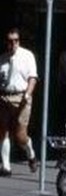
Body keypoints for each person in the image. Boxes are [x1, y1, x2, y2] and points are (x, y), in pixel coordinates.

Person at [0, 27, 39, 176]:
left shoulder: (27, 56)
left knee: (20, 136)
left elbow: (33, 78)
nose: (13, 43)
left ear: (19, 41)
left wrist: (28, 94)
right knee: (2, 131)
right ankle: (6, 166)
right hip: (4, 96)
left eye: (16, 40)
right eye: (10, 41)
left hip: (21, 97)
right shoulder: (2, 58)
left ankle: (31, 154)